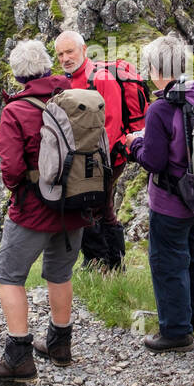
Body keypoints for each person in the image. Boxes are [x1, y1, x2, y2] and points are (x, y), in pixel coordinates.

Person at [0, 39, 90, 378]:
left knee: (10, 275)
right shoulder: (74, 97)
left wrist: (22, 190)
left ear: (18, 77)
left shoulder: (15, 111)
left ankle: (19, 355)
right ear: (48, 66)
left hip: (33, 210)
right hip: (75, 204)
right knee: (60, 272)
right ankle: (60, 344)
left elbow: (12, 170)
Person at [121, 34, 194, 353]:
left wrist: (136, 145)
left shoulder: (160, 108)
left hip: (171, 201)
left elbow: (154, 161)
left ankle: (175, 331)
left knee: (168, 262)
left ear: (156, 68)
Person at [55, 30, 128, 273]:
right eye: (60, 54)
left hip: (105, 160)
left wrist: (95, 163)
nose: (65, 58)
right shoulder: (66, 82)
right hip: (82, 160)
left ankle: (101, 262)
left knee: (92, 208)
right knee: (100, 208)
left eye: (69, 51)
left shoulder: (102, 78)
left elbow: (112, 124)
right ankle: (109, 263)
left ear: (84, 50)